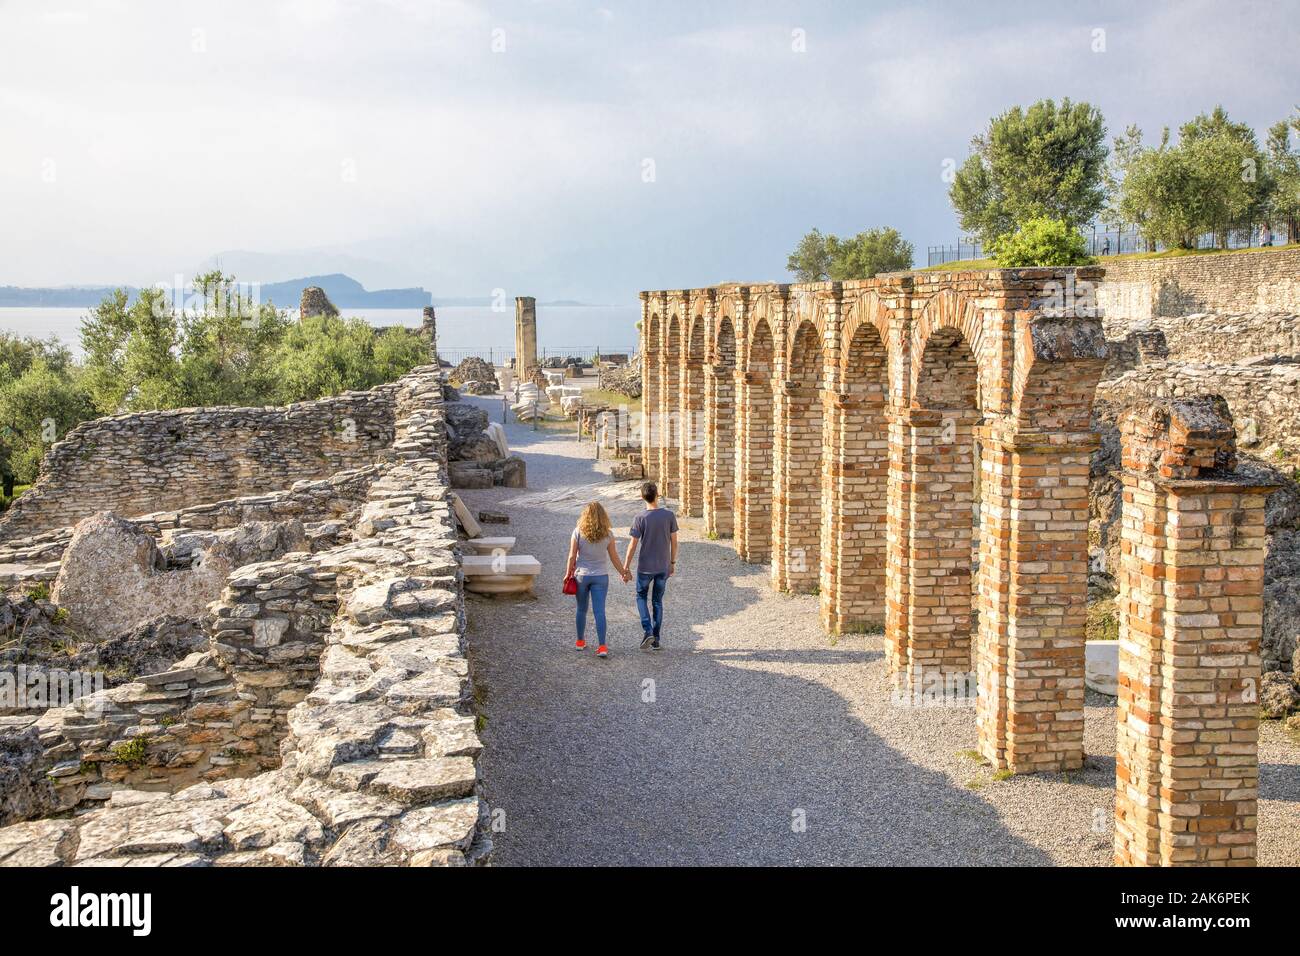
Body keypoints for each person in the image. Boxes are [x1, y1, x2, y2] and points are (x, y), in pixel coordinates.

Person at [565, 501, 630, 658]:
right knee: (599, 611)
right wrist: (623, 572)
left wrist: (568, 573)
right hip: (601, 576)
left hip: (581, 576)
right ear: (603, 516)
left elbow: (572, 555)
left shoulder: (578, 532)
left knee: (581, 609)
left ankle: (580, 642)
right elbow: (614, 557)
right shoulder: (608, 534)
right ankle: (602, 646)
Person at [623, 481, 678, 650]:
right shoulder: (669, 516)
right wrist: (672, 562)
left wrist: (625, 567)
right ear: (657, 495)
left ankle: (647, 630)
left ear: (642, 497)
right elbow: (674, 542)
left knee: (641, 596)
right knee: (657, 602)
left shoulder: (640, 518)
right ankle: (656, 639)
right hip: (662, 566)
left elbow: (632, 545)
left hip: (645, 567)